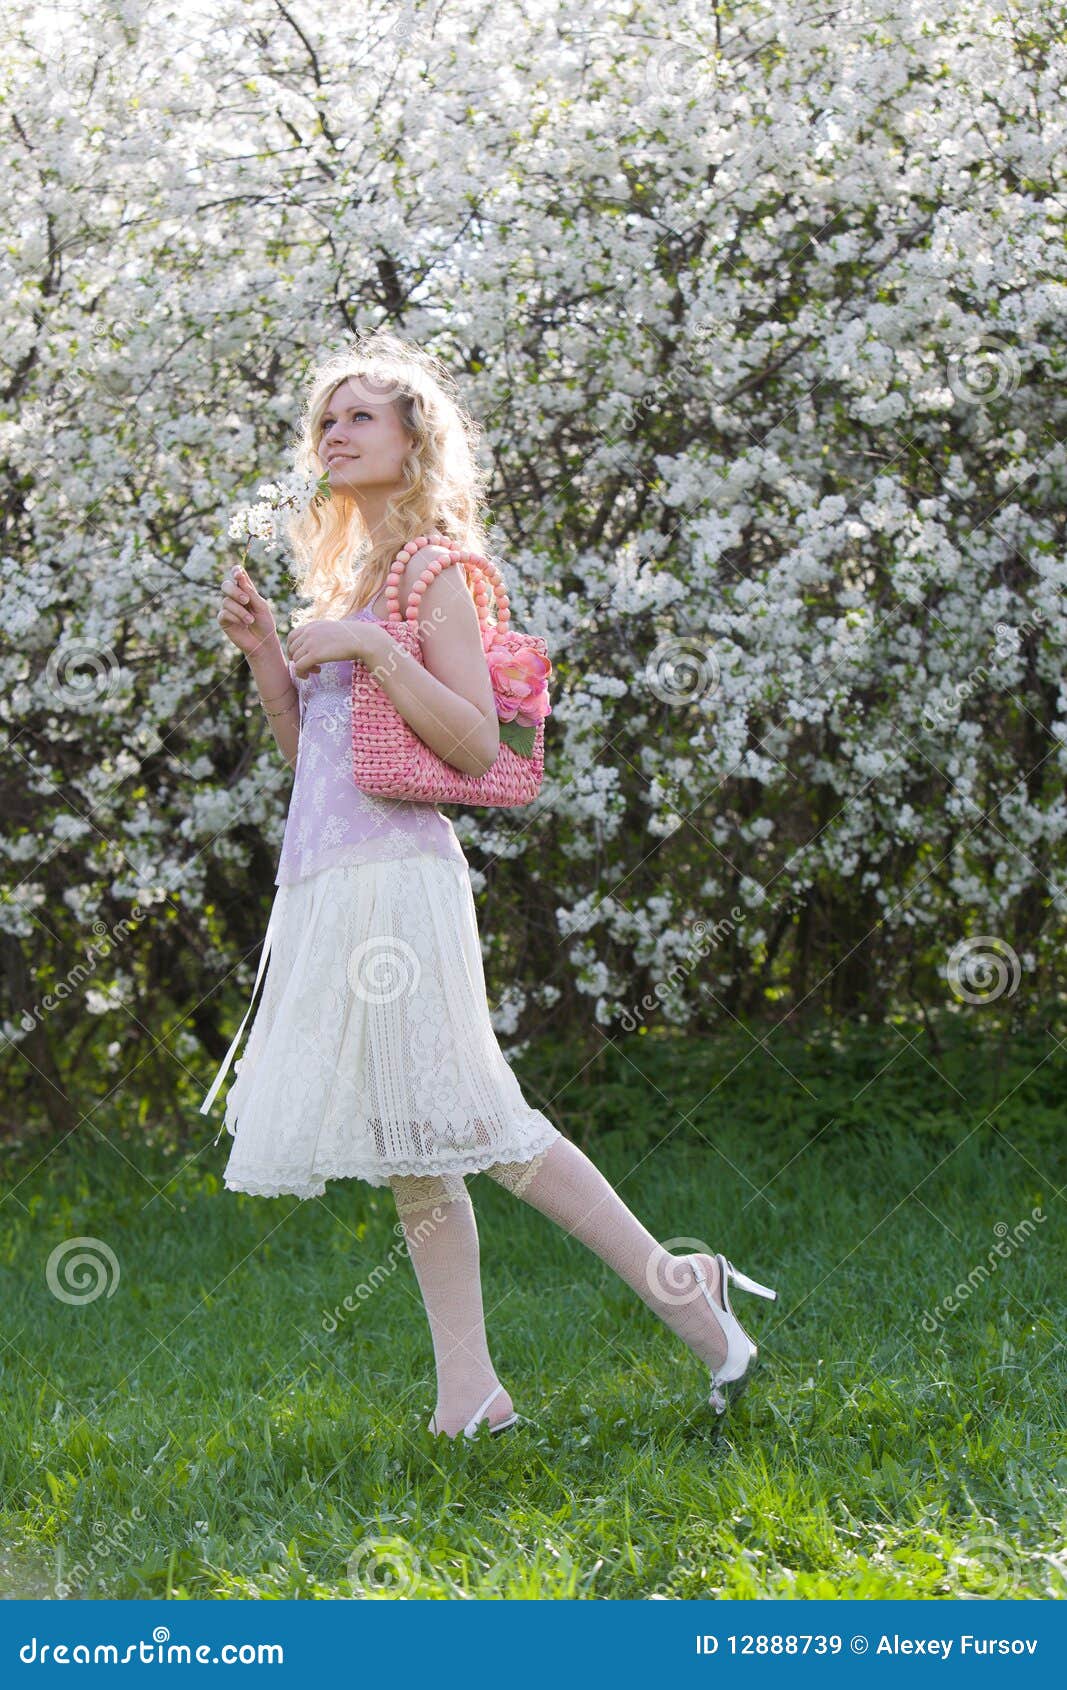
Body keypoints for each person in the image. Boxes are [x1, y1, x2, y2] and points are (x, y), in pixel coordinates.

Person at [204, 330, 777, 1439]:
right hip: (329, 878)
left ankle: (683, 1291)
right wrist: (274, 656)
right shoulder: (347, 579)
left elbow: (471, 743)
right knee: (413, 1142)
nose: (333, 433)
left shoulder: (436, 572)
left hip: (402, 884)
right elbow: (314, 760)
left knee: (478, 1120)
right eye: (324, 418)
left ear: (413, 438)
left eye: (359, 415)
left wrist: (369, 647)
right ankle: (470, 1393)